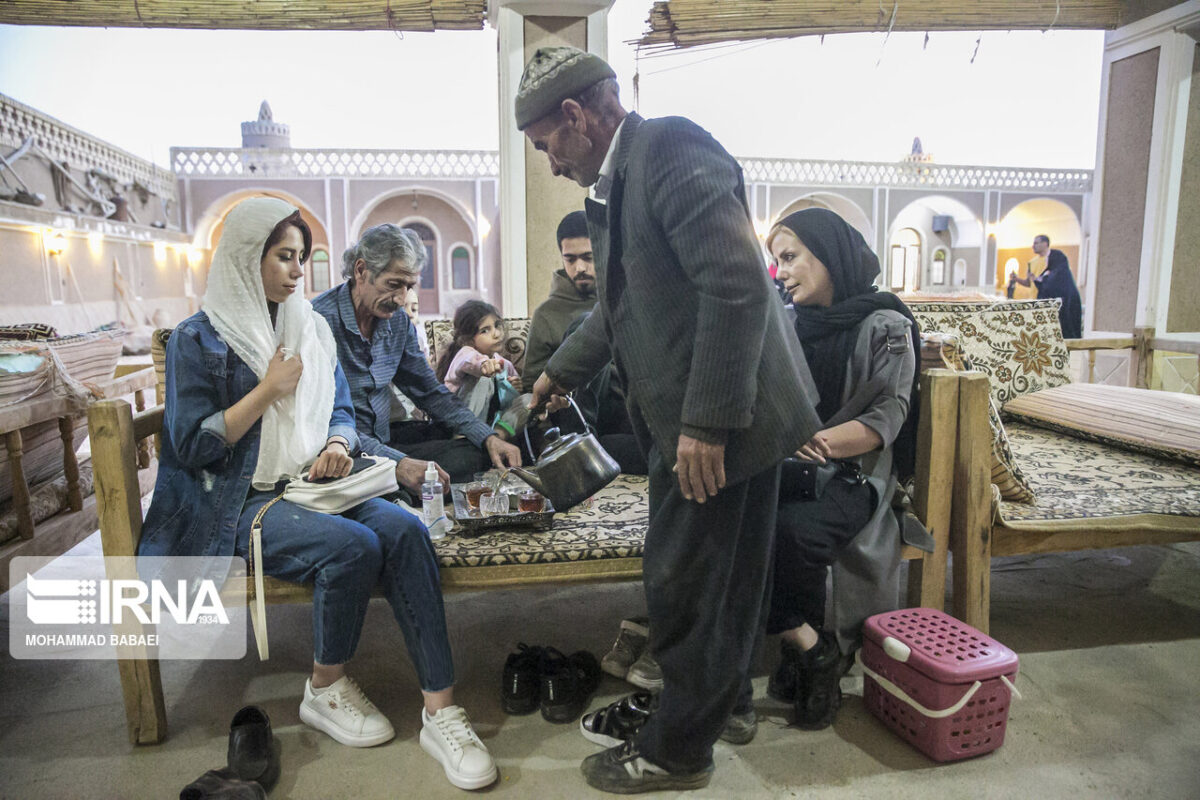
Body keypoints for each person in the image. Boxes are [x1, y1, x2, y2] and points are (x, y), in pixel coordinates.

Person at [518, 46, 820, 793]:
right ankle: (722, 708)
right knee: (724, 584)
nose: (550, 164)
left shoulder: (671, 147)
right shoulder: (622, 179)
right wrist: (559, 372)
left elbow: (738, 286)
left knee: (684, 587)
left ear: (575, 117)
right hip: (703, 418)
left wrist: (707, 425)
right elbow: (623, 308)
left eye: (545, 145)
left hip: (718, 423)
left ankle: (677, 751)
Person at [138, 197, 497, 790]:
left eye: (302, 258)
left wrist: (337, 440)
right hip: (239, 498)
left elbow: (341, 406)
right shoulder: (195, 341)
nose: (298, 270)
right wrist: (268, 391)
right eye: (284, 257)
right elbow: (190, 445)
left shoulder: (304, 324)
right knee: (352, 547)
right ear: (246, 257)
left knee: (407, 531)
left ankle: (441, 713)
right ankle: (324, 687)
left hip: (315, 481)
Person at [764, 208, 919, 731]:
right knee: (732, 526)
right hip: (786, 466)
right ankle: (811, 649)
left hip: (854, 474)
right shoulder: (786, 321)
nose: (780, 271)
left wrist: (815, 443)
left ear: (828, 256)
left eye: (790, 257)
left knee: (792, 532)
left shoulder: (887, 324)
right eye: (776, 261)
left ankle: (808, 655)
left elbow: (885, 419)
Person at [312, 224, 522, 488]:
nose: (401, 299)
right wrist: (399, 463)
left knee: (476, 450)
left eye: (409, 286)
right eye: (393, 285)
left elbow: (429, 392)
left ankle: (396, 483)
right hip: (342, 450)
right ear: (361, 270)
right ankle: (389, 485)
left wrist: (488, 437)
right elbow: (324, 423)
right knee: (449, 467)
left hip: (387, 438)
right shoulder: (318, 321)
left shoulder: (397, 321)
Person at [521, 210, 596, 387]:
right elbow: (530, 385)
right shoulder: (546, 314)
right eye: (570, 259)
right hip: (569, 406)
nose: (579, 268)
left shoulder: (624, 300)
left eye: (588, 257)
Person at [436, 300, 526, 437]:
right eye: (485, 331)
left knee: (529, 400)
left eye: (497, 326)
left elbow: (508, 403)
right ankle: (467, 438)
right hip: (461, 424)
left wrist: (515, 388)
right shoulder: (464, 354)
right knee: (483, 378)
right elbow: (471, 361)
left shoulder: (505, 364)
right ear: (468, 339)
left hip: (493, 424)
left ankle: (498, 436)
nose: (496, 334)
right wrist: (483, 365)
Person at [1008, 234, 1082, 338]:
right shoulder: (1032, 262)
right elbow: (1030, 283)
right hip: (1037, 299)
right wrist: (1017, 279)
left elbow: (1055, 281)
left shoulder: (1056, 258)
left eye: (1036, 243)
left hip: (1051, 300)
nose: (1033, 246)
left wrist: (1040, 280)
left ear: (1045, 243)